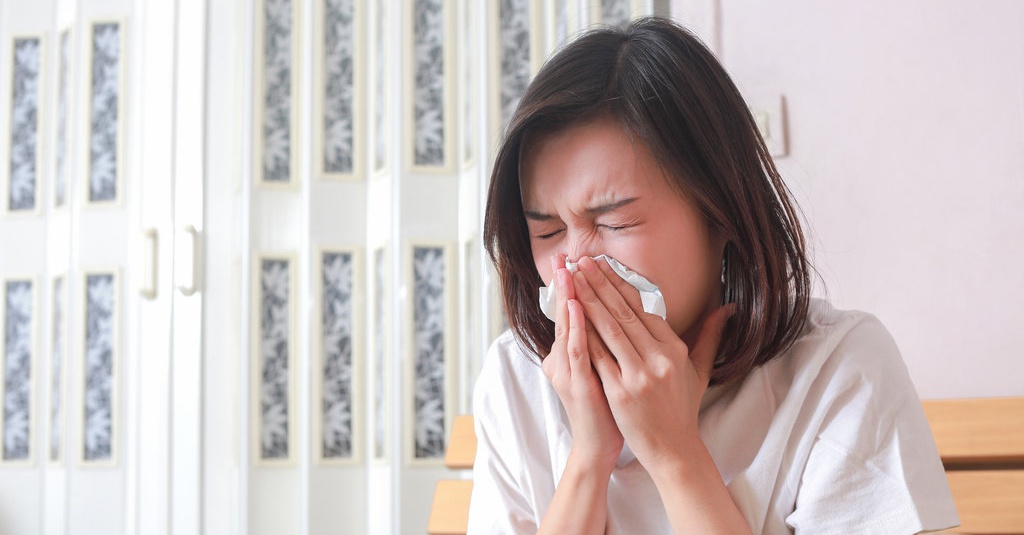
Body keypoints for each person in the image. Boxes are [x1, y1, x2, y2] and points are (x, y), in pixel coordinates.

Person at [469, 16, 958, 535]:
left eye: (614, 222)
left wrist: (674, 453)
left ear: (719, 214)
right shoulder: (516, 381)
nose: (575, 266)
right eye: (547, 233)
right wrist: (590, 457)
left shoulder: (836, 369)